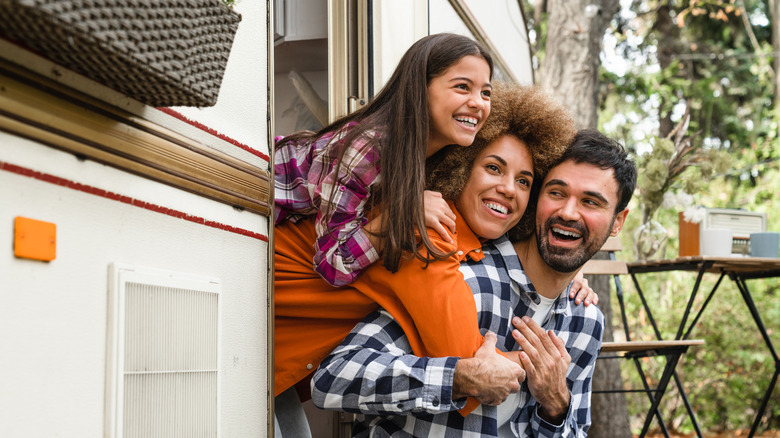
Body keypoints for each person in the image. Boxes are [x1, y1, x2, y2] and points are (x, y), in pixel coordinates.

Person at [274, 82, 588, 428]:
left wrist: (570, 271)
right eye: (494, 168)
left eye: (525, 181)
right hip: (250, 329)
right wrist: (545, 369)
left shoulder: (468, 240)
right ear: (460, 167)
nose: (508, 189)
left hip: (278, 362)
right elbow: (466, 357)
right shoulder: (429, 230)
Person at [311, 129, 638, 437]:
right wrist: (460, 378)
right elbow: (333, 378)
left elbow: (575, 428)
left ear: (617, 222)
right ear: (536, 198)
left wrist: (555, 405)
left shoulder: (585, 321)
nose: (568, 212)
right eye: (557, 193)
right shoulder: (461, 275)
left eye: (591, 202)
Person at [274, 33, 493, 289]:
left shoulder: (437, 156)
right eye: (462, 87)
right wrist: (404, 211)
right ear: (420, 89)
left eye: (486, 92)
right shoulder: (370, 147)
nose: (478, 103)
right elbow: (333, 264)